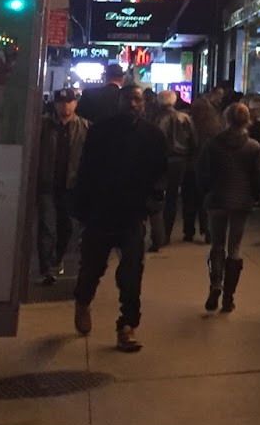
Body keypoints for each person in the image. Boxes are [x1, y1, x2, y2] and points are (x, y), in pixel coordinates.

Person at [72, 85, 168, 353]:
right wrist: (82, 207)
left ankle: (127, 325)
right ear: (119, 101)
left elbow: (161, 173)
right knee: (92, 268)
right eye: (128, 99)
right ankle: (82, 301)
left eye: (137, 100)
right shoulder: (101, 132)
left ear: (143, 104)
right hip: (101, 212)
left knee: (131, 273)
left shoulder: (153, 135)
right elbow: (86, 170)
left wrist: (151, 203)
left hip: (132, 214)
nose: (133, 105)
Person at [197, 101, 260, 312]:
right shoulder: (253, 147)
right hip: (241, 200)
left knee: (217, 244)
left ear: (225, 119)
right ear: (247, 121)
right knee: (234, 247)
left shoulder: (212, 144)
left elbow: (202, 172)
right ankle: (229, 296)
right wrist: (254, 196)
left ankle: (215, 284)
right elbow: (259, 177)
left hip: (217, 198)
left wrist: (208, 191)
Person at [36, 89, 88, 285]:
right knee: (46, 226)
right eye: (61, 102)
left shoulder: (83, 127)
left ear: (75, 104)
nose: (65, 106)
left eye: (68, 102)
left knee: (66, 226)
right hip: (48, 183)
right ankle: (46, 268)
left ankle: (57, 258)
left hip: (71, 185)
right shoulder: (45, 125)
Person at [151, 90, 199, 248]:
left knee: (168, 198)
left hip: (163, 160)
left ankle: (165, 234)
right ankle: (189, 231)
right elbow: (194, 140)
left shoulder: (156, 119)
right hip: (183, 159)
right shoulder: (184, 118)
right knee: (188, 195)